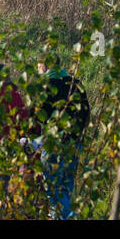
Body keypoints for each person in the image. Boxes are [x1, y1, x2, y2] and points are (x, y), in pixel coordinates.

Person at [32, 69, 89, 220]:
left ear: (43, 66)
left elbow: (38, 116)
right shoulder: (76, 83)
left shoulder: (46, 84)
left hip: (54, 144)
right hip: (75, 144)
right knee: (67, 187)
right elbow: (86, 113)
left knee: (52, 189)